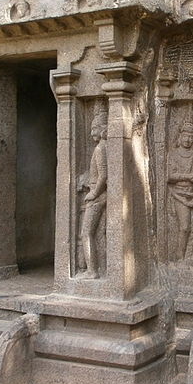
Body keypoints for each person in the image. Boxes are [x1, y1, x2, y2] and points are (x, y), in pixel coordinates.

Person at [78, 111, 108, 278]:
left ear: (103, 129)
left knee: (86, 233)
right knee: (95, 233)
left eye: (94, 128)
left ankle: (92, 271)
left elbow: (103, 175)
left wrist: (94, 193)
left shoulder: (100, 149)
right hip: (100, 194)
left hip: (98, 196)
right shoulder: (106, 147)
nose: (91, 133)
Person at [168, 121, 193, 261]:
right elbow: (170, 176)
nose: (188, 139)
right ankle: (179, 256)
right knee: (185, 227)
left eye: (191, 137)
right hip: (179, 193)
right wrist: (188, 176)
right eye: (185, 136)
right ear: (180, 137)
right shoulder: (174, 154)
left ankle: (191, 255)